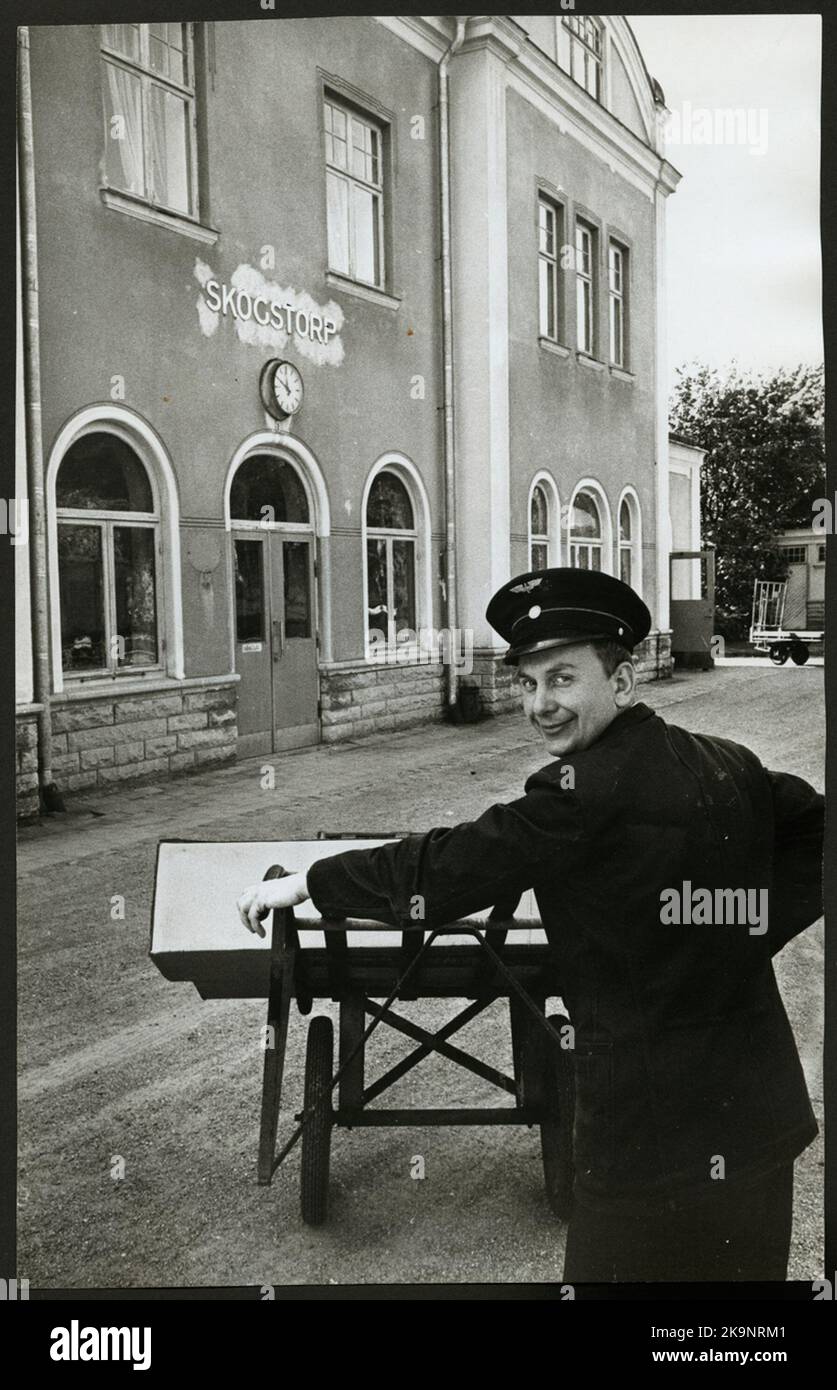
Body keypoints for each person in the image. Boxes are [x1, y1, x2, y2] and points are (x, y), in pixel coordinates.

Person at [236, 568, 824, 1282]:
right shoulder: (726, 761)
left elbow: (443, 870)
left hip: (643, 1140)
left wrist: (307, 883)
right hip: (758, 1122)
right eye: (527, 684)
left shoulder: (578, 793)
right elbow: (815, 834)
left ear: (623, 682)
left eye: (562, 680)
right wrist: (741, 927)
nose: (540, 705)